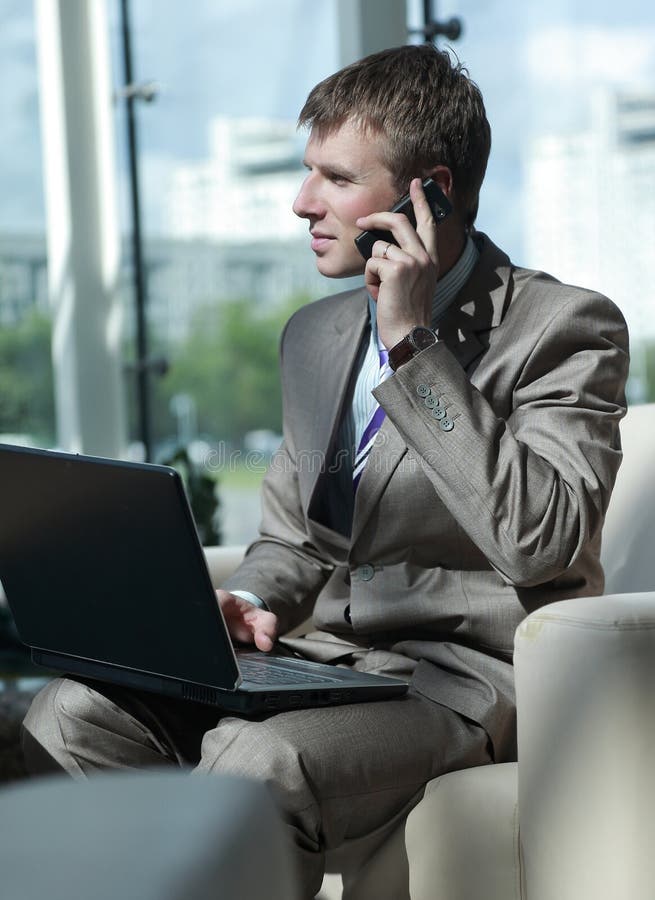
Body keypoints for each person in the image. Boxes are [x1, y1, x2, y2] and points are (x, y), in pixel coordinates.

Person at [23, 44, 629, 898]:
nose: (300, 202)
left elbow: (540, 543)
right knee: (70, 716)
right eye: (308, 173)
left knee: (257, 762)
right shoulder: (313, 337)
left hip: (463, 686)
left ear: (432, 193)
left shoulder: (562, 328)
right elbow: (296, 539)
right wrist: (255, 601)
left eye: (335, 179)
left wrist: (414, 344)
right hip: (323, 665)